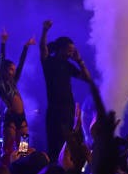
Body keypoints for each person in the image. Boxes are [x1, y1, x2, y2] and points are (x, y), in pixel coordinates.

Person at [39, 20, 92, 160]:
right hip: (55, 109)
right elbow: (43, 49)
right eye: (69, 50)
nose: (71, 53)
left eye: (72, 51)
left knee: (69, 144)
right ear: (61, 49)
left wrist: (79, 60)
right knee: (55, 144)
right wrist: (45, 30)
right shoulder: (49, 62)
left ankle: (67, 171)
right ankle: (54, 172)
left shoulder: (68, 65)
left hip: (68, 109)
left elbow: (87, 78)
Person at [0, 30, 35, 160]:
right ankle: (6, 168)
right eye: (11, 69)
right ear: (5, 70)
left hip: (21, 117)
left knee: (23, 148)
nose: (13, 72)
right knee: (8, 148)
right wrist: (3, 43)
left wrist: (26, 47)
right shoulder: (0, 81)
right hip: (10, 117)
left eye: (14, 69)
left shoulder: (13, 81)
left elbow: (21, 64)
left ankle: (21, 167)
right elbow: (1, 61)